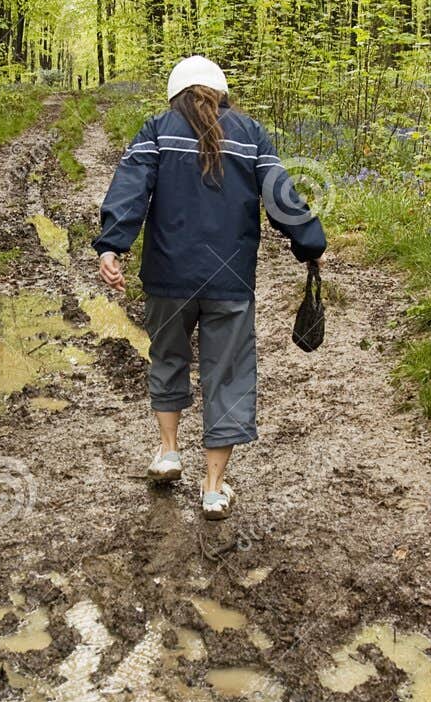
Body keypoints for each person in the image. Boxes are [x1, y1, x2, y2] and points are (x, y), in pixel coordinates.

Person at [92, 54, 326, 519]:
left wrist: (111, 246)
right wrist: (309, 243)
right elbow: (281, 195)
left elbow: (130, 188)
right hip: (230, 283)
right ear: (222, 92)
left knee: (168, 358)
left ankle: (168, 451)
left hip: (167, 279)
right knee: (229, 376)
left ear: (175, 92)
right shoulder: (251, 133)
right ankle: (214, 489)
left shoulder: (157, 130)